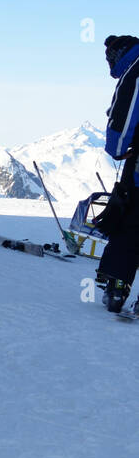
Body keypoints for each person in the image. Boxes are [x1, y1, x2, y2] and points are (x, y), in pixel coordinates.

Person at [95, 34, 139, 312]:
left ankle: (116, 286)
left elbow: (124, 116)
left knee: (130, 221)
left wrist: (118, 149)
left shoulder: (135, 71)